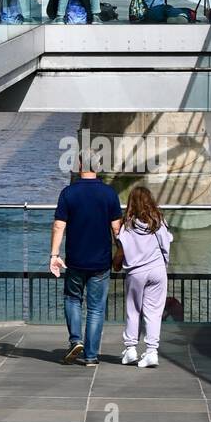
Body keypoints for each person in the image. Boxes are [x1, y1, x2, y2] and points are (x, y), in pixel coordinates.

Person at [50, 154, 123, 365]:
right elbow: (116, 228)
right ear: (99, 167)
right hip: (101, 262)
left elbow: (59, 226)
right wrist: (120, 252)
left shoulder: (68, 193)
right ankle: (91, 356)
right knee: (96, 308)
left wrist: (54, 255)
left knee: (72, 299)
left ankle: (75, 340)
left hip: (75, 260)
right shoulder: (109, 193)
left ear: (79, 165)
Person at [118, 184, 172, 369]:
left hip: (135, 271)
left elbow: (122, 247)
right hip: (157, 269)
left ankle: (131, 349)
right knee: (154, 312)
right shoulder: (158, 221)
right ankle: (151, 351)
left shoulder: (127, 224)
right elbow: (166, 245)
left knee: (133, 311)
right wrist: (164, 262)